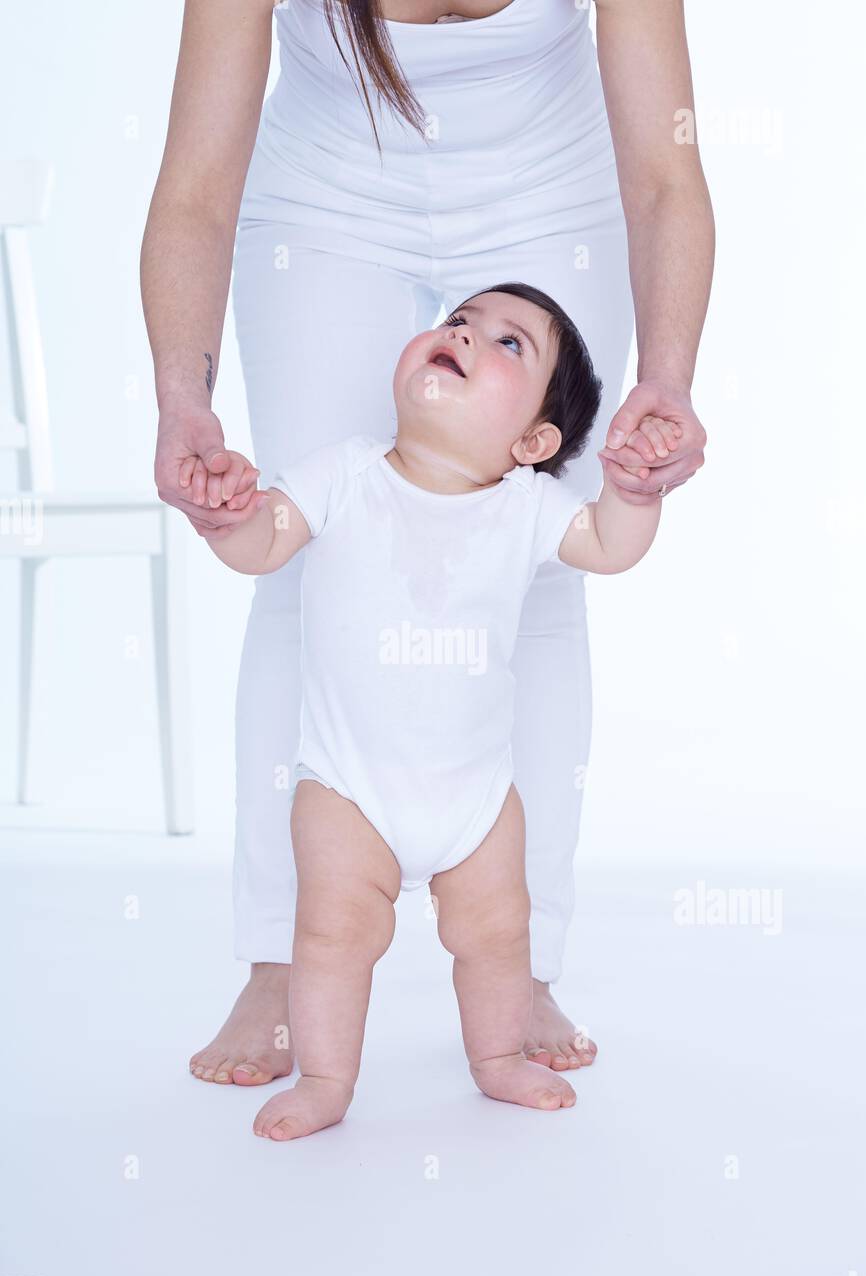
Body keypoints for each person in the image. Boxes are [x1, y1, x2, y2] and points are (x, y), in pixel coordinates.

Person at [140, 0, 713, 1085]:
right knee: (306, 552)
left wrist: (667, 380)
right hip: (325, 193)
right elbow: (195, 190)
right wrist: (182, 397)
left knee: (540, 576)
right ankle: (279, 947)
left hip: (548, 184)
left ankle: (522, 951)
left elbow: (664, 176)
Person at [201, 283, 671, 1139]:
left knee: (498, 936)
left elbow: (608, 547)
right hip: (348, 788)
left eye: (508, 343)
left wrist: (636, 495)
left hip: (478, 800)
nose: (464, 334)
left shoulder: (526, 506)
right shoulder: (344, 471)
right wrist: (224, 514)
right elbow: (262, 542)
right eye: (459, 321)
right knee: (331, 938)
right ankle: (328, 1080)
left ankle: (497, 1058)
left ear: (533, 440)